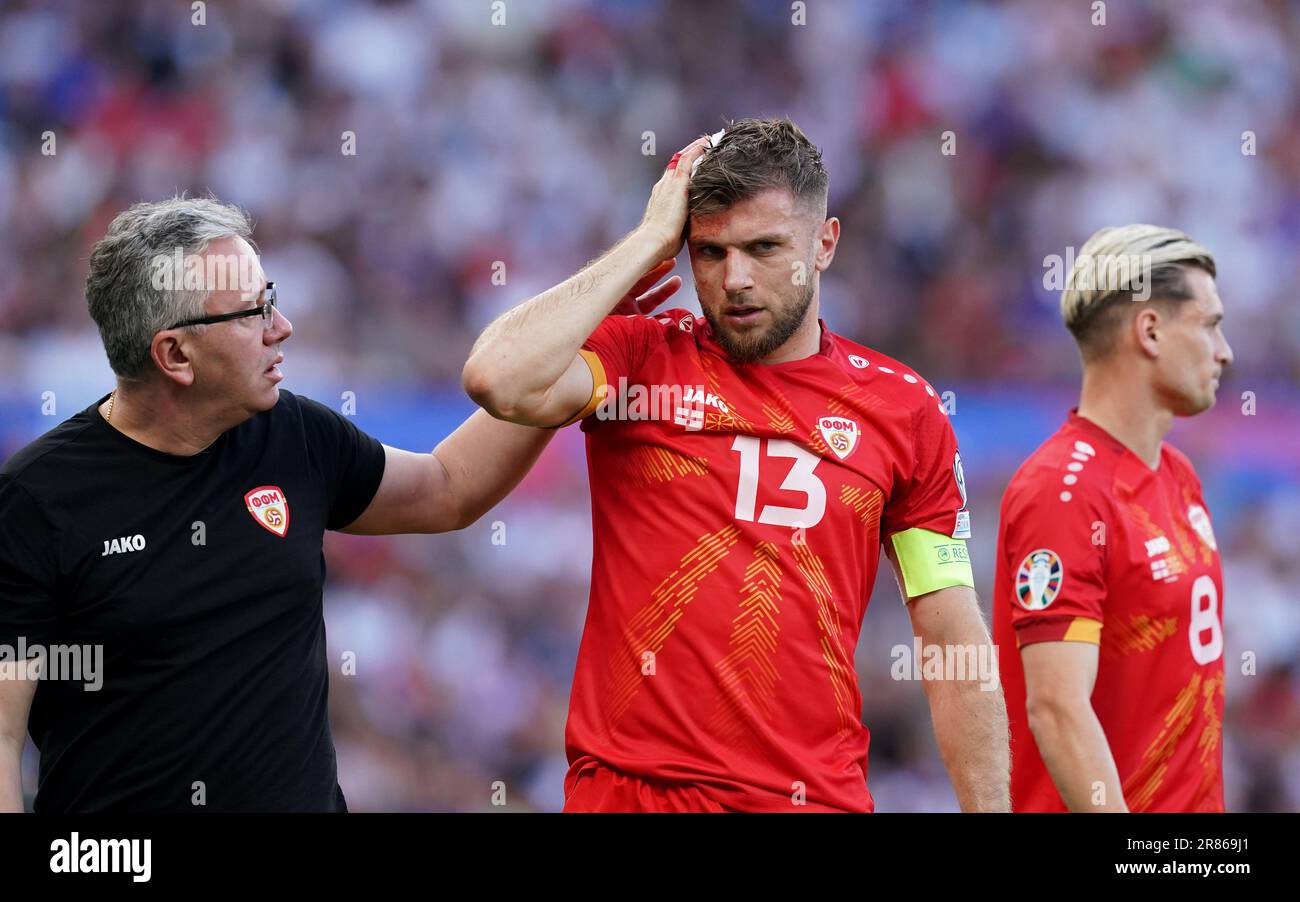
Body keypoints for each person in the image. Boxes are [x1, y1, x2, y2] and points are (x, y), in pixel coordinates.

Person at [463, 118, 1009, 812]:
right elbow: (496, 379)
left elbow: (951, 637)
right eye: (709, 252)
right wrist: (641, 246)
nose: (736, 280)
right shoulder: (637, 359)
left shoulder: (905, 411)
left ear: (825, 244)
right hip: (630, 796)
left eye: (764, 248)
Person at [0, 197, 555, 812]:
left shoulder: (294, 436)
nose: (282, 325)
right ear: (175, 356)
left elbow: (449, 487)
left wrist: (577, 354)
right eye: (253, 311)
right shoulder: (38, 498)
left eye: (273, 296)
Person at [993, 224, 1233, 812]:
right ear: (1149, 330)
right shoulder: (1064, 491)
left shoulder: (1178, 475)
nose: (1224, 351)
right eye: (1209, 325)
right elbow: (1056, 708)